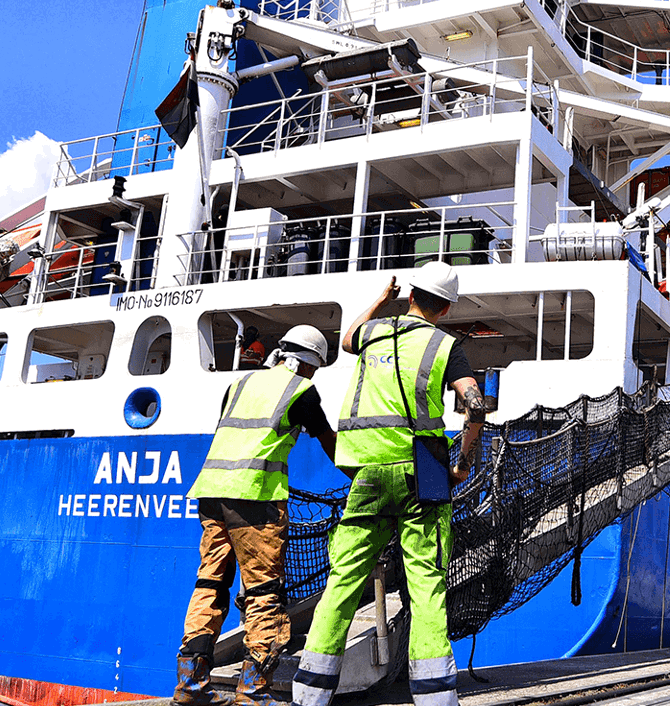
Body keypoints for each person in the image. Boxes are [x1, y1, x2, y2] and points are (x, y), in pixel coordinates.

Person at [291, 263, 488, 706]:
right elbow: (474, 405)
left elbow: (345, 341)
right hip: (424, 475)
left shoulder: (375, 332)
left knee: (342, 582)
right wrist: (463, 463)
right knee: (426, 584)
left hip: (366, 473)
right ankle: (436, 699)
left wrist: (382, 298)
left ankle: (308, 695)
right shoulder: (443, 344)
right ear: (447, 307)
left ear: (412, 293)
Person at [175, 325, 339, 706]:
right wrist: (362, 477)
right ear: (306, 363)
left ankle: (190, 685)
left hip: (212, 493)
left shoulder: (240, 384)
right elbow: (329, 441)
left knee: (210, 583)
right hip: (255, 499)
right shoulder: (300, 389)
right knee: (264, 591)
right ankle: (253, 691)